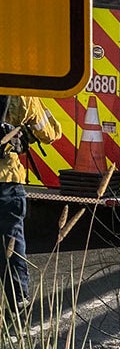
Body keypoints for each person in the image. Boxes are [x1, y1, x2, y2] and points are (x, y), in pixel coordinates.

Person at [0, 95, 62, 312]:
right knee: (11, 243)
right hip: (5, 182)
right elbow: (51, 132)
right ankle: (18, 302)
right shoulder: (19, 92)